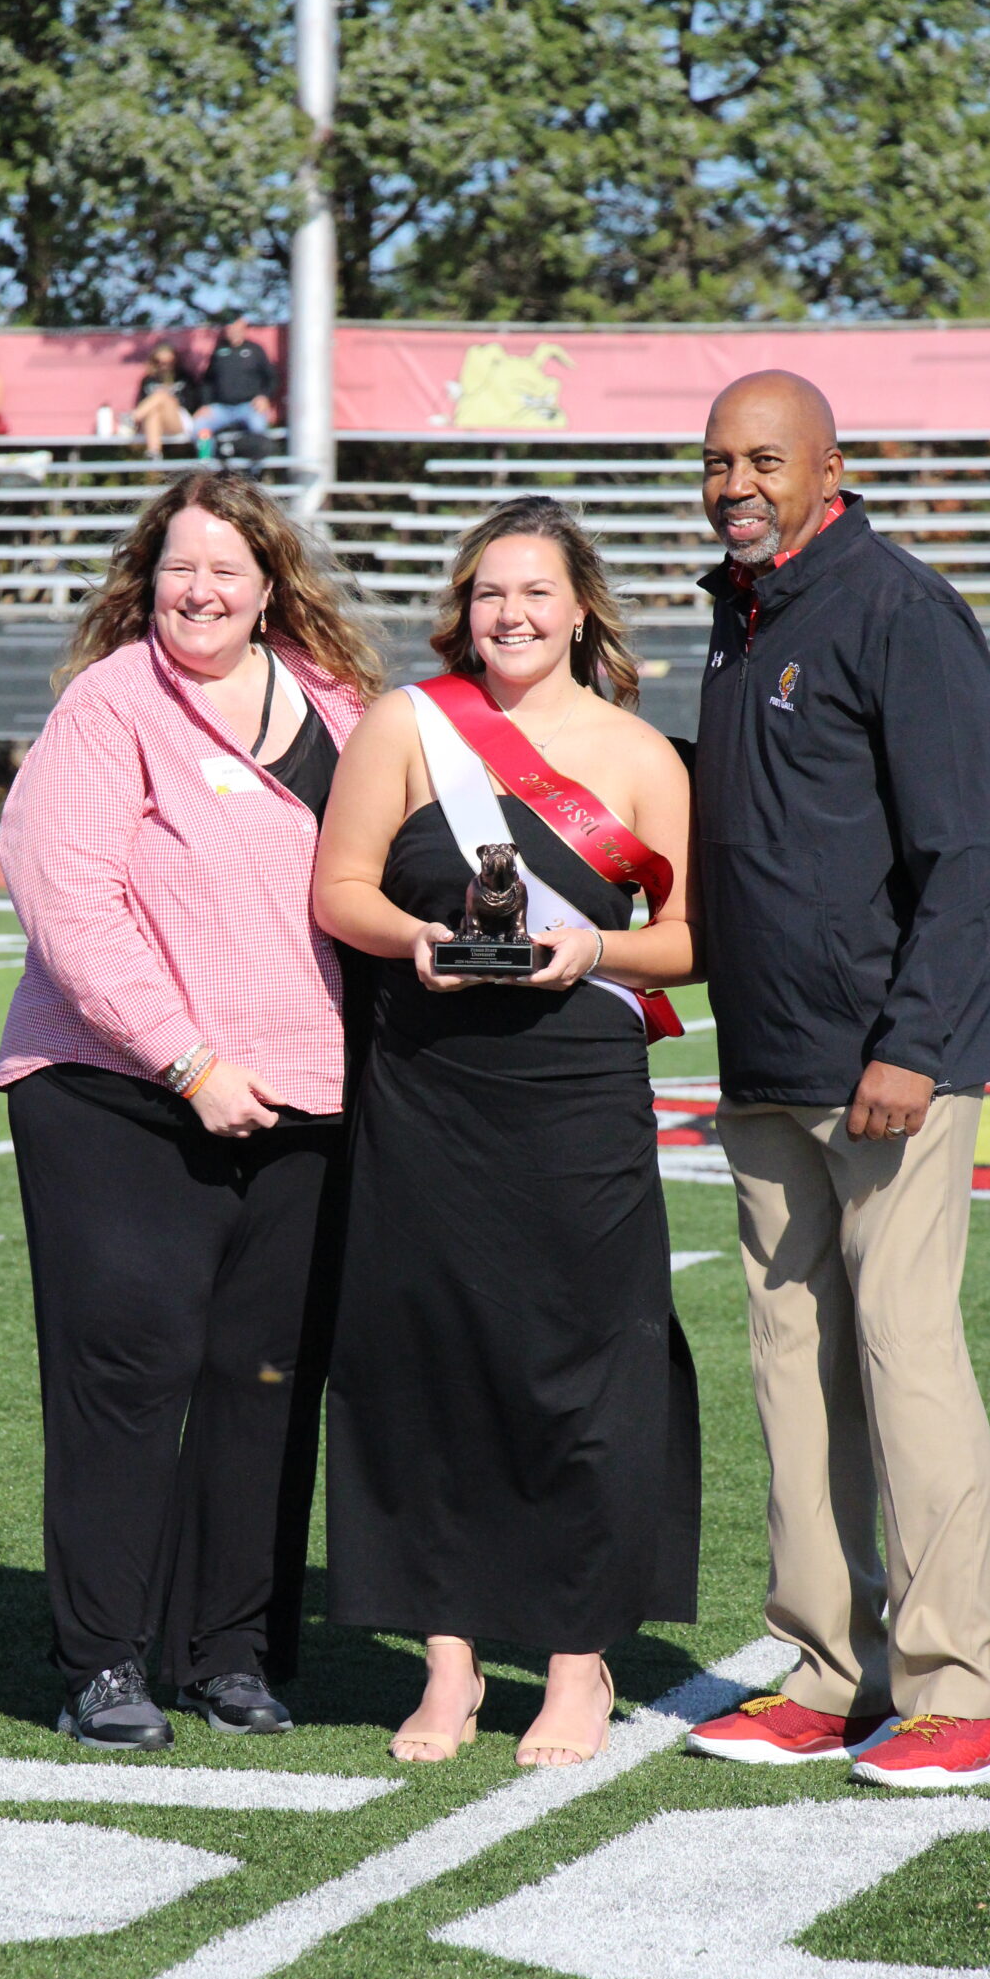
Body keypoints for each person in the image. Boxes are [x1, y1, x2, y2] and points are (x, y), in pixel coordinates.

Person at [0, 469, 380, 1751]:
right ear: (144, 582)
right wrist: (187, 1059)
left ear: (273, 584)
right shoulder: (111, 707)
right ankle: (104, 1659)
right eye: (177, 570)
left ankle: (233, 1655)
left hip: (305, 1100)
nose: (199, 591)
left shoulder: (345, 709)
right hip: (119, 1095)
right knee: (126, 1370)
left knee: (263, 1380)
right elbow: (69, 900)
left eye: (225, 569)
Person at [685, 371, 990, 1789]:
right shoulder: (736, 611)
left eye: (764, 459)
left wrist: (910, 1039)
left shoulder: (896, 605)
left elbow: (972, 848)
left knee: (902, 1362)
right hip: (766, 1063)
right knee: (794, 1376)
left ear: (831, 467)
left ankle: (963, 1691)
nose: (735, 484)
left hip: (884, 1065)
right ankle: (832, 1672)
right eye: (715, 463)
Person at [314, 495, 701, 1769]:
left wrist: (596, 945)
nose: (512, 615)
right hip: (427, 1087)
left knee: (586, 1364)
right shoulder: (404, 725)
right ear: (461, 609)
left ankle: (579, 1661)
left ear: (580, 605)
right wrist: (415, 937)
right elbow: (343, 889)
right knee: (428, 1363)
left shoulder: (643, 752)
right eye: (489, 593)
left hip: (580, 1093)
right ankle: (447, 1660)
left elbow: (692, 940)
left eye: (535, 592)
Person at [194, 312, 275, 455]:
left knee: (258, 428)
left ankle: (254, 473)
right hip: (222, 408)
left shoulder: (255, 350)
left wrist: (264, 396)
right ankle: (206, 468)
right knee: (200, 426)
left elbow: (271, 378)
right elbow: (208, 381)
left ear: (243, 325)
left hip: (249, 407)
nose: (231, 329)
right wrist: (204, 404)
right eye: (229, 326)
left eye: (235, 325)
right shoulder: (219, 351)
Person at [132, 342, 198, 462]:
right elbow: (141, 402)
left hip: (177, 420)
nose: (164, 366)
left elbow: (192, 403)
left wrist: (170, 401)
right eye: (160, 362)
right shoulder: (148, 380)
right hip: (153, 422)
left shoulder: (184, 378)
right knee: (154, 411)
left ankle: (131, 419)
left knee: (162, 396)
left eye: (168, 362)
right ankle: (154, 453)